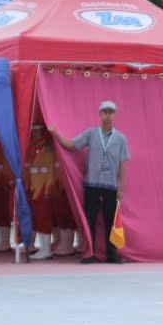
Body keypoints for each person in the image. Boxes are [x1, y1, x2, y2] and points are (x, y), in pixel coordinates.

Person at [50, 100, 130, 265]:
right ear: (100, 114)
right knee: (90, 220)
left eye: (111, 112)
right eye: (105, 112)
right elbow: (72, 145)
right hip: (92, 185)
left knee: (110, 221)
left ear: (114, 115)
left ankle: (112, 255)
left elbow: (123, 164)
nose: (108, 116)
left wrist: (121, 187)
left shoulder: (121, 139)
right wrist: (56, 134)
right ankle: (89, 253)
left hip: (110, 187)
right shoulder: (91, 134)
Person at [24, 123, 61, 260]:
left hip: (43, 188)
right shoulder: (32, 149)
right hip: (34, 188)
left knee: (44, 218)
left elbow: (51, 171)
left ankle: (46, 249)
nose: (35, 133)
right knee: (39, 218)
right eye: (33, 131)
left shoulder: (47, 150)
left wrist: (48, 189)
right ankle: (43, 247)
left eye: (38, 131)